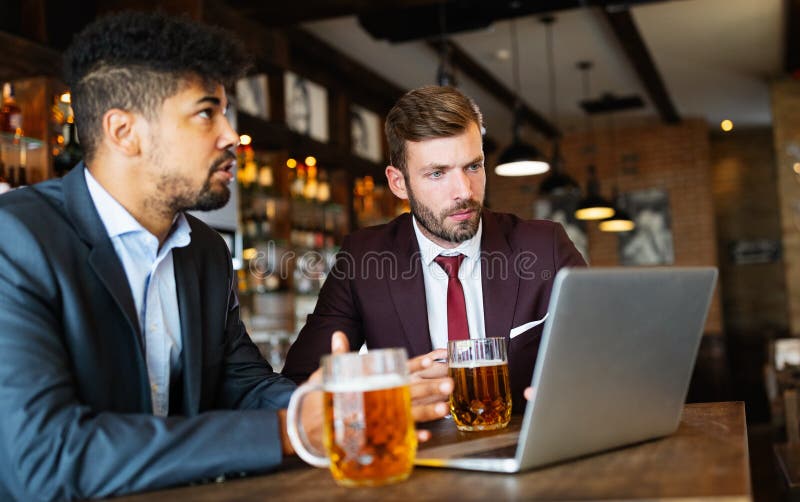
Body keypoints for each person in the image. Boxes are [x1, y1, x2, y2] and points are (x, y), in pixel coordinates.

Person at [0, 13, 449, 501]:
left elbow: (243, 384)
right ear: (124, 131)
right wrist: (292, 430)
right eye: (206, 113)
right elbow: (45, 458)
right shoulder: (16, 239)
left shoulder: (206, 251)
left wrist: (341, 402)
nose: (230, 135)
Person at [283, 85, 587, 409]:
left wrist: (575, 393)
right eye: (438, 173)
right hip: (419, 452)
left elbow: (611, 351)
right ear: (399, 183)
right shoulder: (363, 258)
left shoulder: (545, 246)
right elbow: (300, 384)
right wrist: (382, 391)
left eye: (473, 166)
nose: (464, 191)